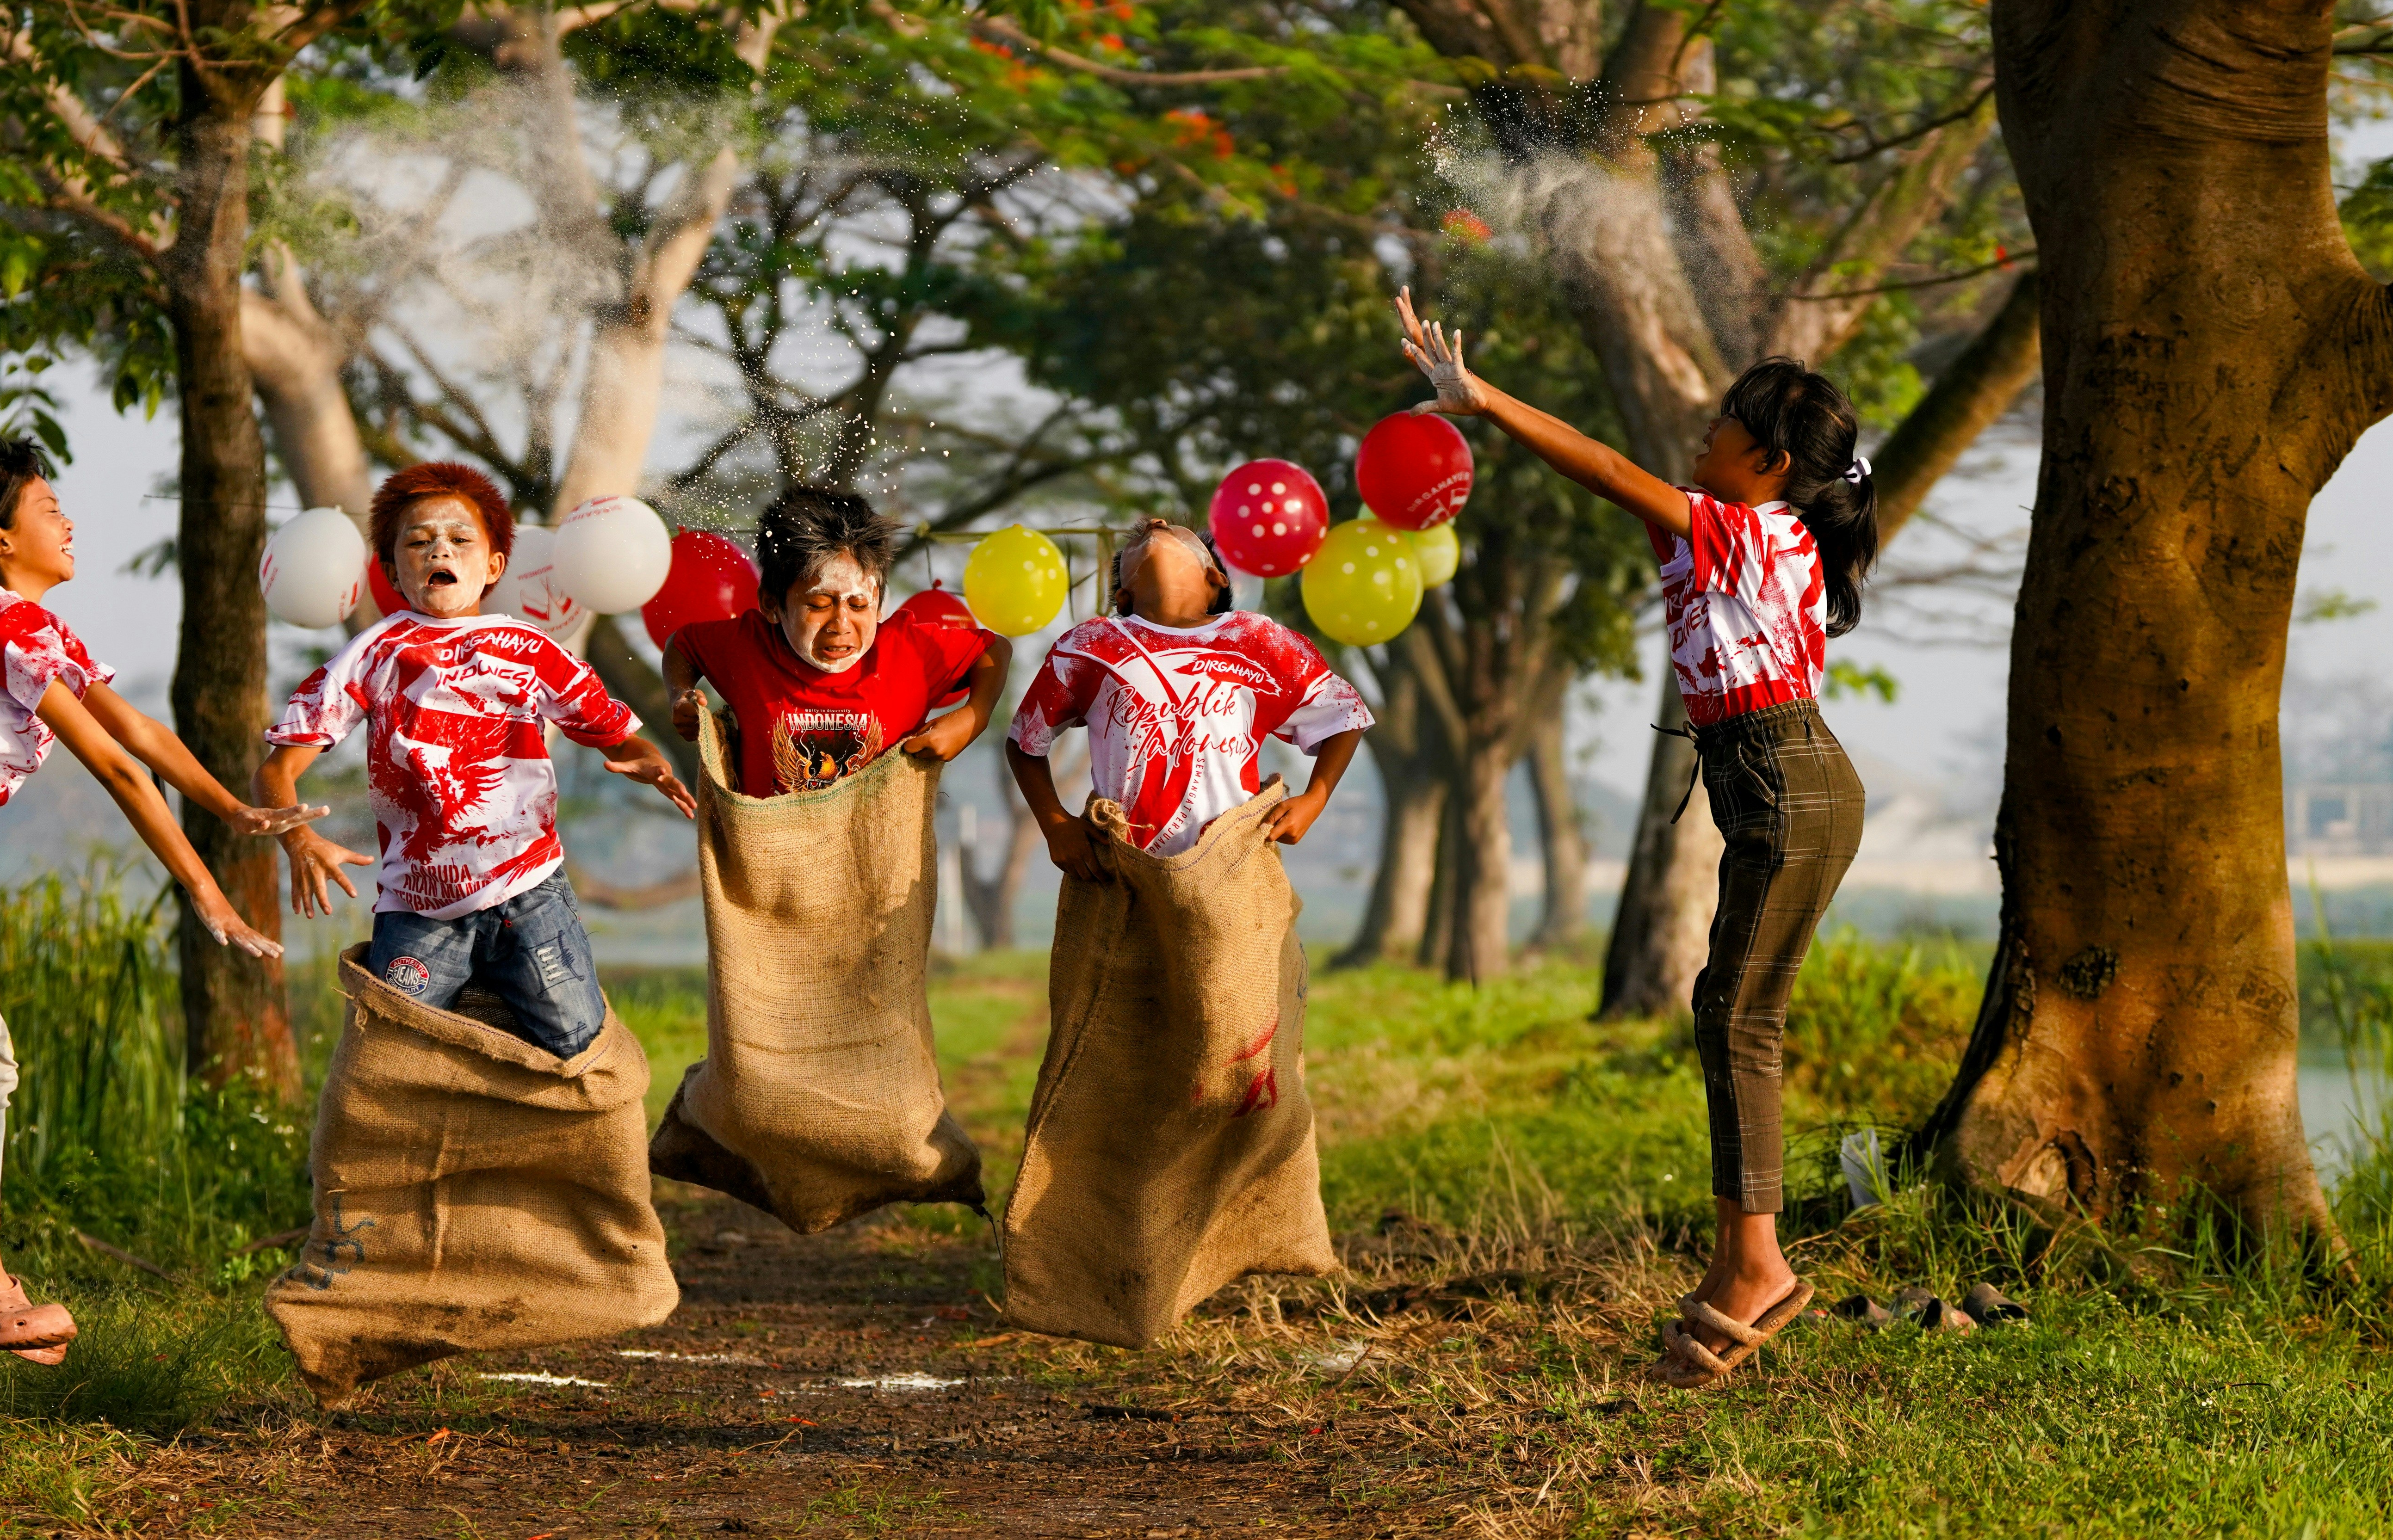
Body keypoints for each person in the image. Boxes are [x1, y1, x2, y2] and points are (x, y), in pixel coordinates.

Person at [1394, 288, 1876, 1389]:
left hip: (1785, 773)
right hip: (1769, 774)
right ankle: (1737, 1261)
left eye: (1721, 422)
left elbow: (1608, 470)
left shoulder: (1755, 529)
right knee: (1729, 1010)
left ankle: (1756, 1267)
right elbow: (1627, 489)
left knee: (1736, 1013)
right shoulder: (1742, 522)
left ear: (1765, 459)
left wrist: (1482, 401)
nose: (1701, 433)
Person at [0, 434, 316, 1361]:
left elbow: (136, 727)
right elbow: (119, 769)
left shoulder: (21, 623)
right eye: (50, 508)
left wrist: (234, 808)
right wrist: (208, 893)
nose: (69, 519)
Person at [259, 461, 693, 1058]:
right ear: (392, 569)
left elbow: (620, 738)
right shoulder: (374, 654)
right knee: (391, 1060)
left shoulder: (532, 650)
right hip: (416, 905)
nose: (440, 548)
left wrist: (649, 762)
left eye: (461, 539)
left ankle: (570, 1150)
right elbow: (278, 770)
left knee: (578, 1048)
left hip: (532, 887)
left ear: (493, 566)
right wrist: (298, 840)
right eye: (418, 541)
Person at [1007, 515, 1372, 874]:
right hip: (1125, 870)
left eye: (1174, 530)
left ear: (1215, 578)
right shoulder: (1089, 645)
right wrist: (1055, 824)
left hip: (1231, 866)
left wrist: (1315, 798)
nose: (1157, 522)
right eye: (1138, 533)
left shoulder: (1257, 640)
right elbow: (1024, 742)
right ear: (1123, 598)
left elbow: (1345, 715)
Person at [660, 486, 1011, 796]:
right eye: (818, 604)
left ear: (878, 601)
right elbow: (683, 645)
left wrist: (973, 718)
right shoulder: (747, 646)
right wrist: (680, 696)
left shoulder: (909, 651)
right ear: (771, 603)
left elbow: (994, 649)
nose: (841, 624)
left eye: (858, 605)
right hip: (773, 857)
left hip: (878, 860)